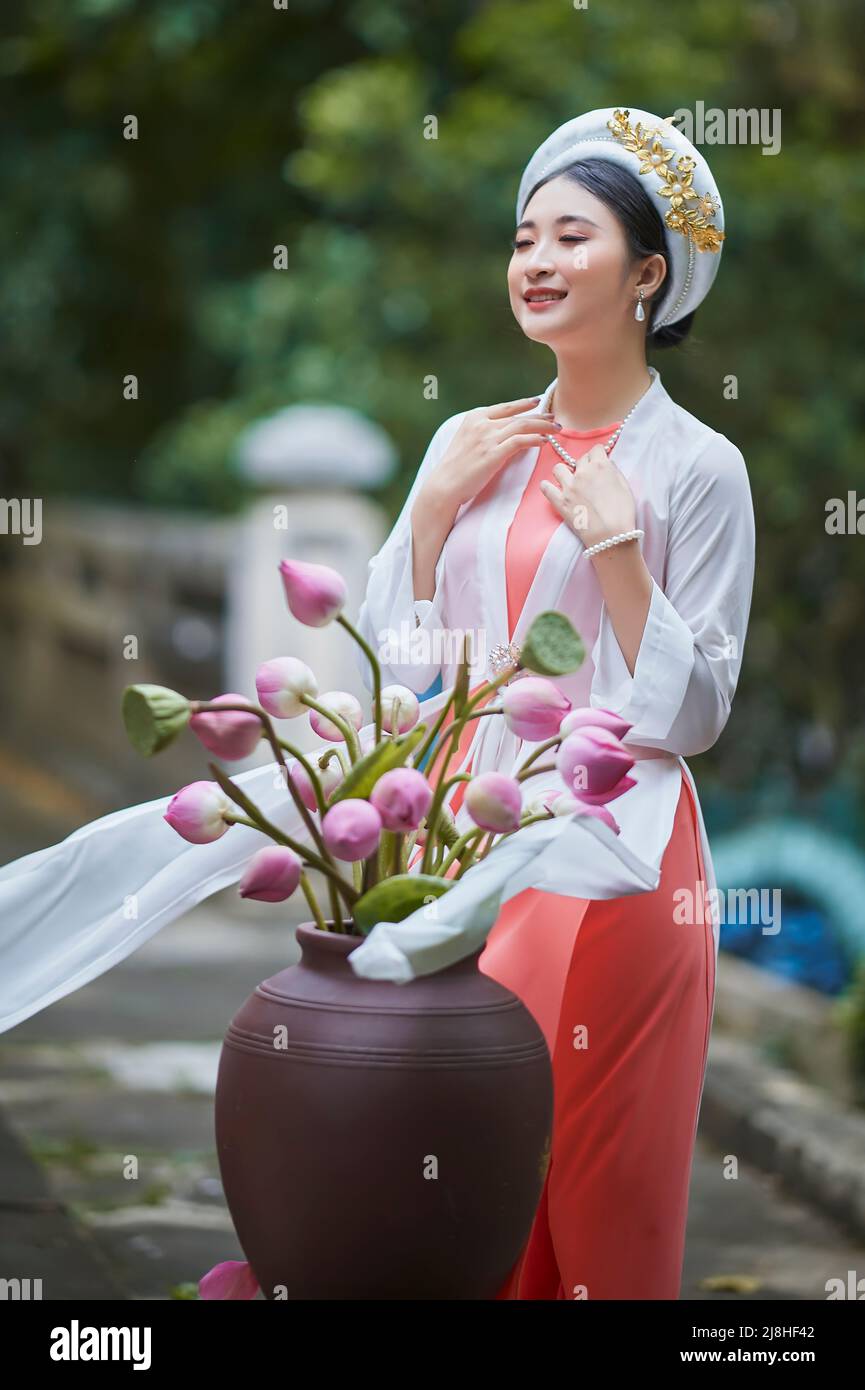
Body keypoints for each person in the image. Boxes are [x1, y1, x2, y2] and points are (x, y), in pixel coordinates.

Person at [351, 107, 756, 1299]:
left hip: (615, 858)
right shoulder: (471, 442)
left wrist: (621, 551)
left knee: (597, 1200)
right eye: (522, 236)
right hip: (462, 833)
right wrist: (428, 513)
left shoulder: (697, 468)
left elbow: (696, 713)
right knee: (461, 1196)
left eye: (569, 236)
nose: (532, 259)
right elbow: (401, 671)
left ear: (645, 274)